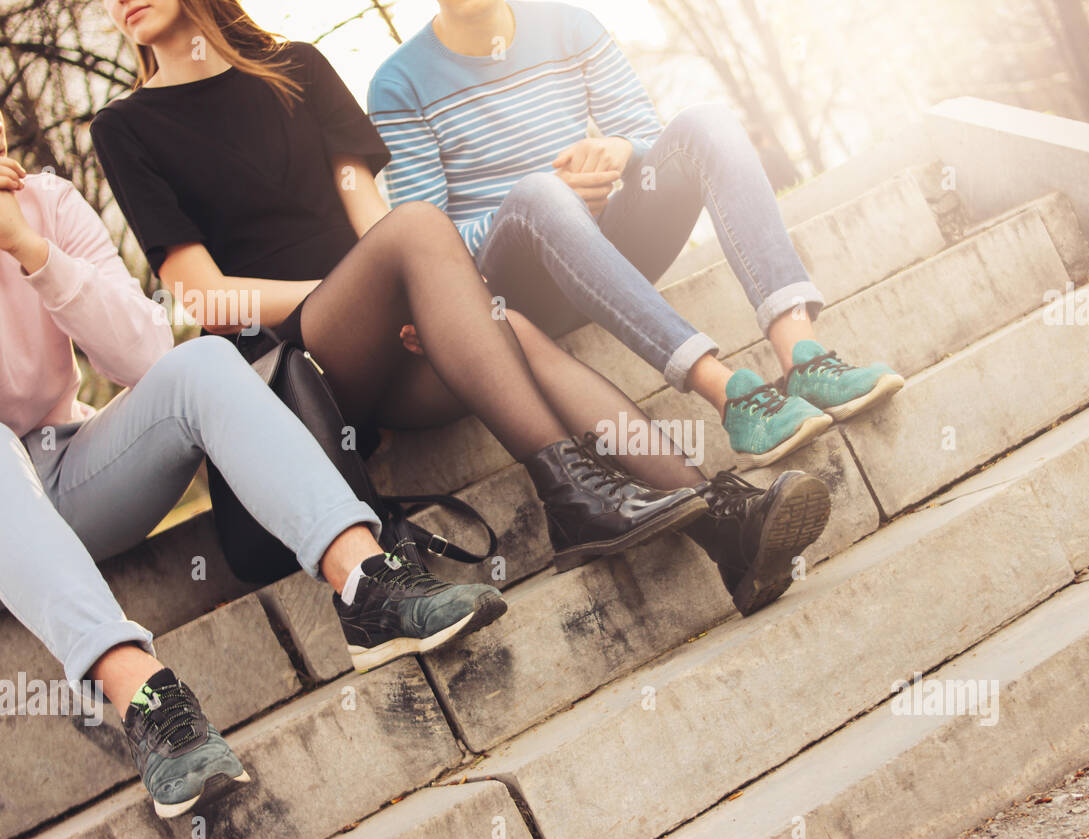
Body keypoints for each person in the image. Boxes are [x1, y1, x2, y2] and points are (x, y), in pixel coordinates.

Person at [92, 0, 830, 617]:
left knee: (517, 333)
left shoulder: (299, 70)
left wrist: (400, 291)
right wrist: (370, 288)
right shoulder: (125, 128)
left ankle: (724, 524)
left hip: (380, 332)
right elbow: (203, 293)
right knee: (420, 229)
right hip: (292, 365)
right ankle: (568, 490)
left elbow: (364, 215)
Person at [0, 121, 509, 818]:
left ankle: (368, 585)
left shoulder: (44, 203)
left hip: (62, 473)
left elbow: (143, 355)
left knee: (202, 362)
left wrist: (30, 250)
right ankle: (145, 697)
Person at [368, 0, 905, 472]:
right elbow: (428, 247)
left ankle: (802, 356)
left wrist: (620, 152)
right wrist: (550, 194)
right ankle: (730, 396)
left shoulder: (571, 26)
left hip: (610, 255)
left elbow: (649, 134)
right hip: (515, 295)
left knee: (706, 121)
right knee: (539, 194)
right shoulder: (399, 84)